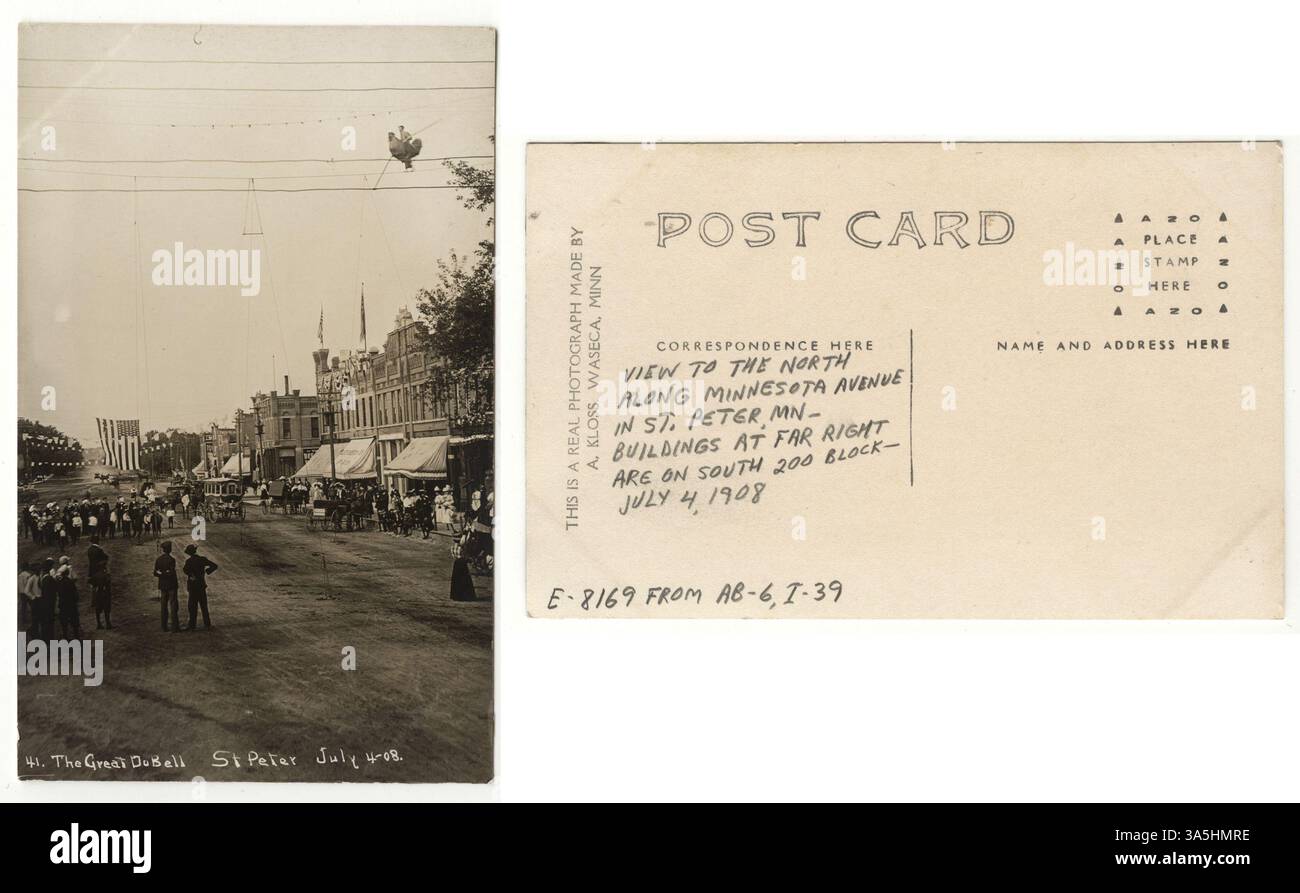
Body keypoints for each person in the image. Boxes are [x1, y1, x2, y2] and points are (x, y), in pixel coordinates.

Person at [182, 543, 218, 631]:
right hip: (201, 585)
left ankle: (192, 625)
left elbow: (185, 570)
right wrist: (207, 571)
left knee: (192, 606)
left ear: (189, 553)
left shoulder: (188, 562)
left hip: (192, 586)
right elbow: (214, 566)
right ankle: (207, 624)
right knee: (204, 605)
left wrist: (191, 575)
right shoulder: (202, 559)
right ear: (195, 551)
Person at [154, 541, 180, 633]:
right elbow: (171, 573)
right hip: (172, 585)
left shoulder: (158, 559)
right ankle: (175, 627)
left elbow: (155, 573)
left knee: (163, 606)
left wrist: (161, 573)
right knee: (173, 606)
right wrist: (166, 573)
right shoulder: (171, 560)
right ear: (169, 549)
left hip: (162, 585)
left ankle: (164, 626)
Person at [87, 539, 112, 629]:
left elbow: (90, 582)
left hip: (97, 590)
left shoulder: (89, 550)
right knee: (106, 608)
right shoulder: (106, 575)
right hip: (104, 593)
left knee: (97, 607)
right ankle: (108, 623)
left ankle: (99, 624)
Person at [55, 559, 81, 639]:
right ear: (66, 573)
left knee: (64, 621)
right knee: (74, 620)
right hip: (71, 604)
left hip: (63, 604)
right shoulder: (70, 582)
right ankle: (76, 636)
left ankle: (65, 636)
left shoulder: (59, 583)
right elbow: (75, 593)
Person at [34, 558, 57, 640]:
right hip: (49, 602)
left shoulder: (42, 579)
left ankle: (46, 638)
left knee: (45, 621)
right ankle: (49, 638)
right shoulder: (49, 579)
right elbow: (53, 592)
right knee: (49, 621)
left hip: (44, 602)